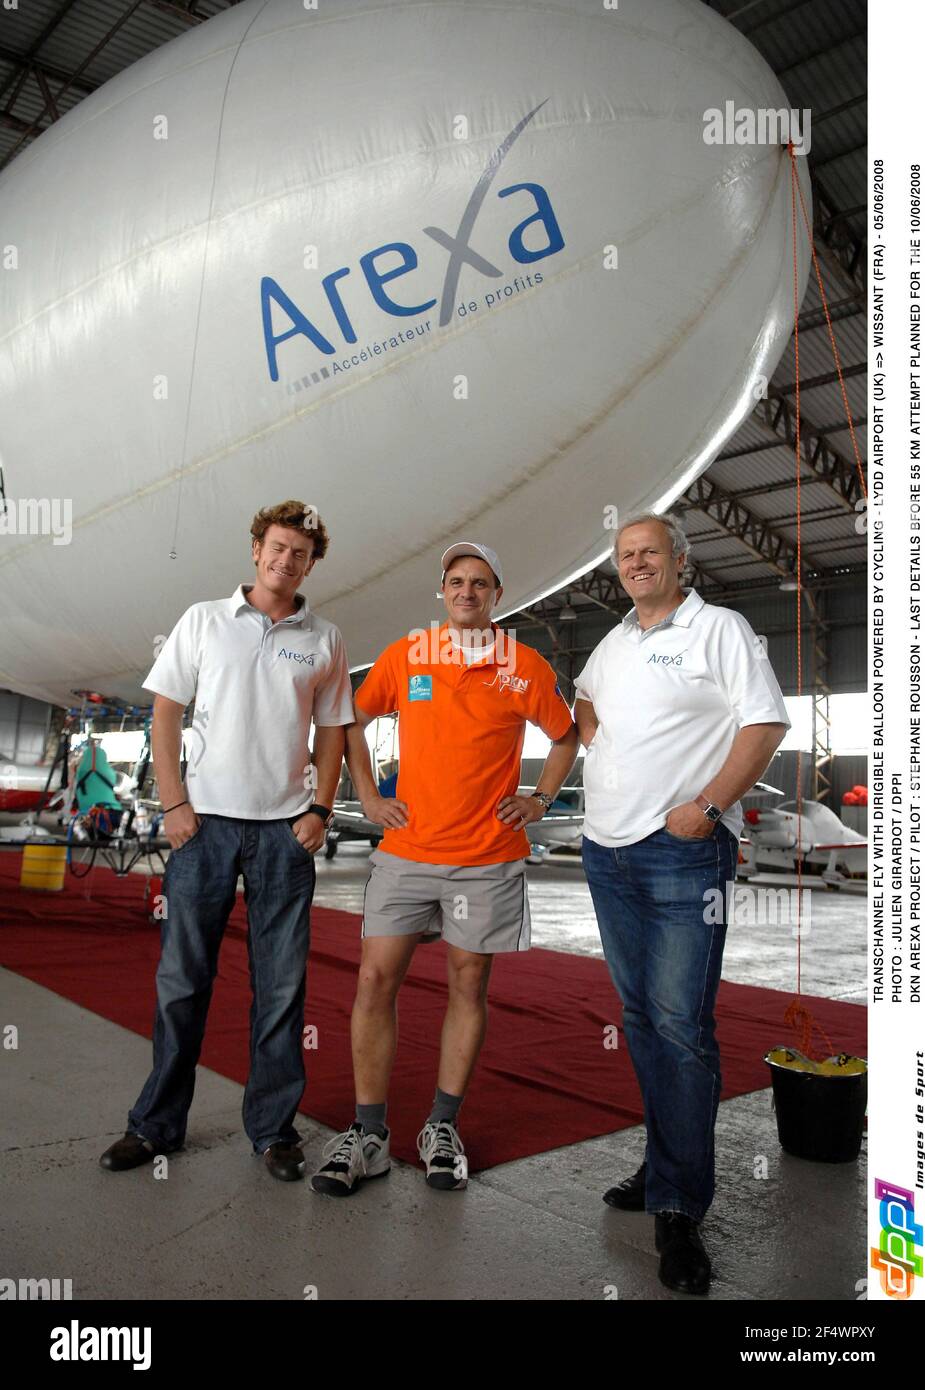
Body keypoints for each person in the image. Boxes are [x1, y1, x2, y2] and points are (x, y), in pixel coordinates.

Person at [311, 542, 579, 1196]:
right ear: (442, 590)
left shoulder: (524, 667)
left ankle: (440, 1125)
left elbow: (565, 735)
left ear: (496, 593)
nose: (466, 591)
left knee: (467, 987)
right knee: (374, 980)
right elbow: (351, 717)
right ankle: (369, 1134)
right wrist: (367, 797)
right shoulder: (408, 657)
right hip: (406, 852)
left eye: (479, 583)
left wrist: (539, 797)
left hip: (486, 858)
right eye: (456, 581)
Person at [99, 500, 354, 1182]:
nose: (285, 560)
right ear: (254, 549)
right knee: (183, 982)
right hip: (204, 828)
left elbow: (332, 731)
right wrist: (173, 801)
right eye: (276, 547)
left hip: (284, 833)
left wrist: (321, 810)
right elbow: (165, 711)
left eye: (299, 553)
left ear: (311, 562)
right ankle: (155, 1127)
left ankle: (272, 1130)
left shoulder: (324, 637)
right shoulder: (203, 621)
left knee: (280, 989)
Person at [574, 512, 789, 1295]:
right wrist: (597, 747)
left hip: (680, 852)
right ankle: (662, 1165)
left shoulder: (718, 628)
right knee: (640, 1020)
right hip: (605, 852)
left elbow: (764, 724)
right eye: (624, 554)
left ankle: (678, 1207)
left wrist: (707, 803)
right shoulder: (615, 641)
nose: (635, 563)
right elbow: (584, 699)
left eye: (647, 552)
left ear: (678, 559)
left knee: (679, 1026)